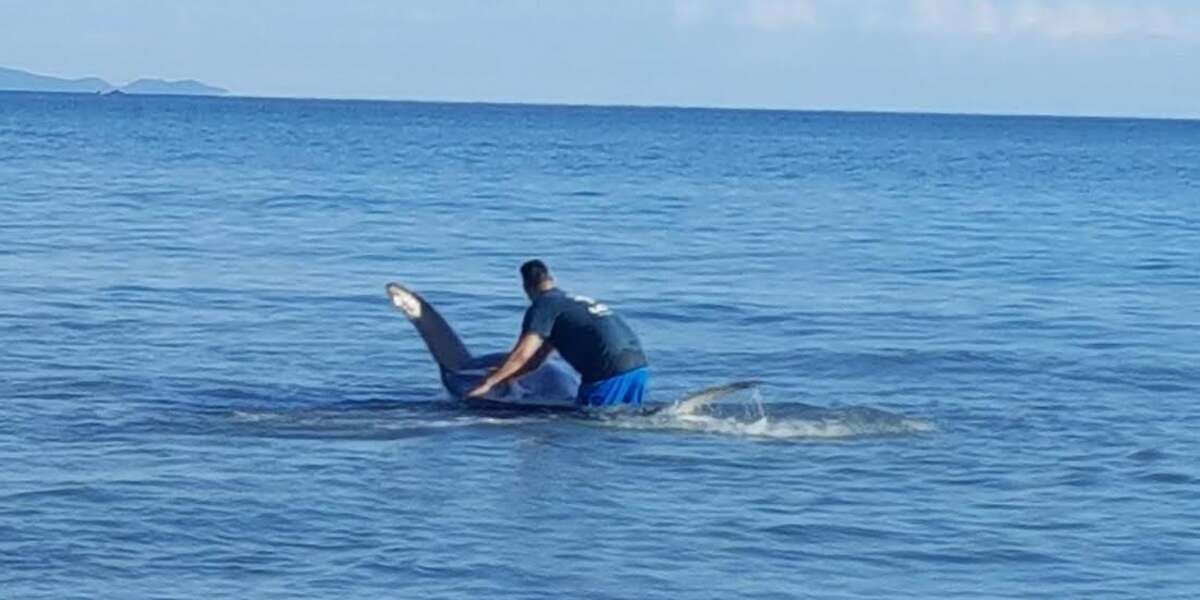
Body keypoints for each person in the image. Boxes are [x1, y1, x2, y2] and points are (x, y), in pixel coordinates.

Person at [467, 260, 649, 408]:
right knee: (624, 421)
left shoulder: (543, 306)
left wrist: (488, 384)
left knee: (595, 427)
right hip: (638, 365)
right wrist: (505, 376)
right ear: (551, 279)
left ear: (526, 286)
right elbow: (536, 359)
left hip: (608, 371)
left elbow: (522, 354)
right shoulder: (569, 304)